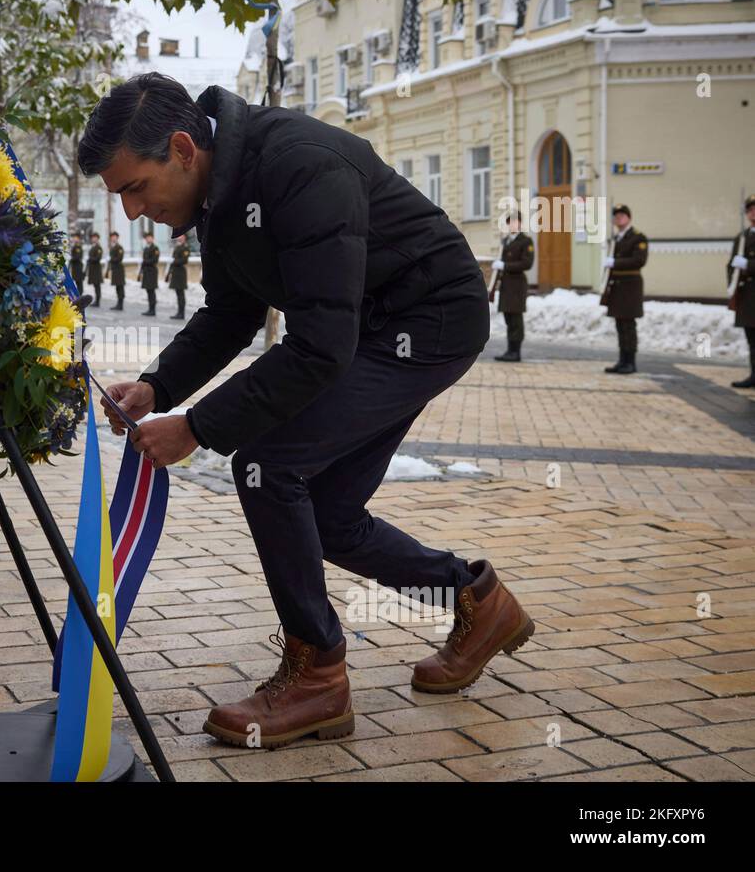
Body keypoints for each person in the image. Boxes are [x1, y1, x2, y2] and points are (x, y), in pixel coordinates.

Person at [79, 72, 531, 749]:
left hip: (430, 317)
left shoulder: (297, 163)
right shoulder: (222, 189)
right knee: (326, 512)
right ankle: (476, 600)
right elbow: (233, 310)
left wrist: (199, 428)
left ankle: (318, 672)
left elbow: (320, 347)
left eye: (134, 189)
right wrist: (158, 386)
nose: (132, 213)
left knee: (270, 463)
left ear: (180, 148)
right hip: (368, 326)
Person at [601, 204, 648, 375]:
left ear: (629, 218)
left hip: (630, 286)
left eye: (622, 215)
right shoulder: (616, 239)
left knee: (629, 325)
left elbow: (639, 260)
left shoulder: (637, 238)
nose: (619, 218)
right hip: (617, 286)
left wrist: (616, 263)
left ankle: (630, 361)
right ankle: (622, 360)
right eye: (616, 216)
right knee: (620, 324)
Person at [492, 211, 533, 362]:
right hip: (506, 285)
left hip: (517, 285)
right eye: (510, 222)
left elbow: (527, 263)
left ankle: (516, 351)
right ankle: (510, 350)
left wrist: (505, 265)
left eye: (515, 222)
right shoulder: (506, 242)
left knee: (516, 319)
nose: (512, 225)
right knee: (508, 318)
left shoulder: (526, 241)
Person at [727, 194, 755, 388]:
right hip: (748, 295)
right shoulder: (742, 237)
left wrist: (749, 265)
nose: (753, 213)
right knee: (752, 339)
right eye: (750, 209)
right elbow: (731, 264)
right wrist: (732, 285)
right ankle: (754, 374)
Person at [167, 231, 189, 320]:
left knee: (181, 294)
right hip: (175, 273)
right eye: (179, 236)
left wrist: (175, 262)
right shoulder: (177, 247)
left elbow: (184, 260)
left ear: (185, 238)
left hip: (180, 273)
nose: (180, 237)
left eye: (182, 236)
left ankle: (182, 313)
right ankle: (179, 312)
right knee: (178, 293)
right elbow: (173, 260)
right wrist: (169, 273)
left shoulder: (185, 248)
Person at [139, 230, 159, 315]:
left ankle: (153, 310)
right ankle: (150, 309)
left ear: (152, 238)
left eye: (149, 237)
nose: (148, 239)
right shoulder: (146, 248)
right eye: (146, 238)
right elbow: (143, 262)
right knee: (148, 291)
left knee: (152, 291)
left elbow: (154, 260)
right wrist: (141, 272)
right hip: (146, 272)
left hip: (152, 272)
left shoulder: (155, 248)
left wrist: (146, 261)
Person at [108, 230, 126, 310]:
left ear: (117, 238)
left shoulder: (119, 247)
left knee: (120, 286)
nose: (113, 238)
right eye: (112, 237)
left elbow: (119, 258)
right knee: (117, 287)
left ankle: (120, 304)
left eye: (114, 237)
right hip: (115, 270)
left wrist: (111, 260)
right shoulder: (113, 247)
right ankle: (118, 304)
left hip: (119, 269)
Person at [86, 231, 104, 306]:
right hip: (92, 269)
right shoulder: (93, 247)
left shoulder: (98, 247)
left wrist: (90, 259)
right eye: (92, 238)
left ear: (97, 238)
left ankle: (98, 301)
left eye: (95, 237)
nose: (93, 239)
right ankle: (96, 301)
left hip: (96, 269)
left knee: (97, 285)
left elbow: (98, 258)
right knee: (95, 285)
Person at [69, 232, 85, 297]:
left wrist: (71, 259)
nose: (74, 239)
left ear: (78, 239)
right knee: (77, 282)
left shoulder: (78, 247)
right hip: (75, 267)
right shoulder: (75, 246)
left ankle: (80, 295)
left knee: (79, 282)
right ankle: (78, 295)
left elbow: (78, 257)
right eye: (74, 238)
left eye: (76, 238)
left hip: (78, 266)